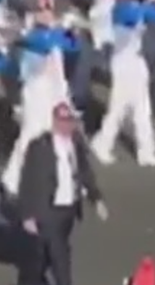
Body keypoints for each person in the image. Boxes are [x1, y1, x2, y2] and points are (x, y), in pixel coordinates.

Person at [17, 101, 108, 285]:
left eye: (69, 121)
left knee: (43, 257)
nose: (67, 125)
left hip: (68, 211)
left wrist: (96, 198)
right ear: (55, 122)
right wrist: (27, 214)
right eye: (62, 121)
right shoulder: (39, 147)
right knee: (61, 259)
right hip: (48, 211)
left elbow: (84, 170)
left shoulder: (75, 143)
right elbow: (28, 181)